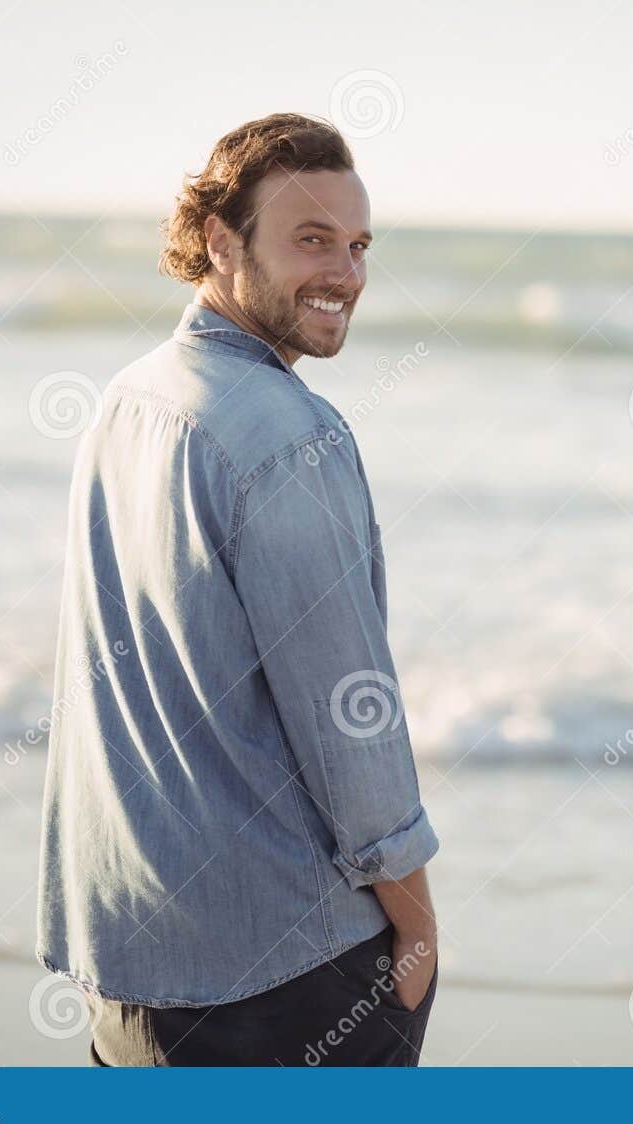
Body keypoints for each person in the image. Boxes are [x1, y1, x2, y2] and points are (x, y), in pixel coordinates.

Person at [34, 113, 440, 1066]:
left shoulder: (126, 401)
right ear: (220, 239)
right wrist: (417, 926)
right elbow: (350, 708)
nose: (345, 272)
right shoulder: (292, 436)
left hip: (128, 958)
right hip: (288, 973)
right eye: (310, 240)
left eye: (358, 244)